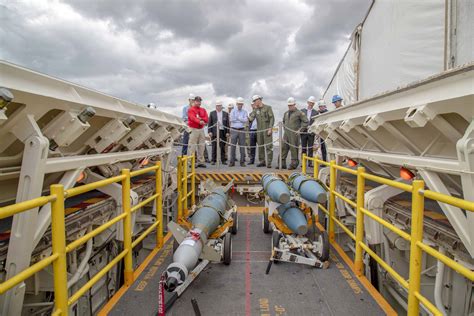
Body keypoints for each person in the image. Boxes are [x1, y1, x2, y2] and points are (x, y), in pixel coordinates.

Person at [280, 97, 308, 170]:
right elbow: (283, 122)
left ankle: (294, 164)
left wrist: (300, 130)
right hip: (286, 133)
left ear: (294, 104)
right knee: (283, 147)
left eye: (291, 105)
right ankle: (282, 163)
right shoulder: (286, 113)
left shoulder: (299, 113)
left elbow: (306, 121)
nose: (290, 106)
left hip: (294, 134)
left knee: (294, 149)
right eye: (289, 105)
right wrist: (285, 129)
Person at [249, 95, 274, 168]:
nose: (254, 103)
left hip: (266, 129)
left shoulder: (268, 108)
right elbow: (251, 118)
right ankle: (262, 161)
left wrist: (270, 128)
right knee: (260, 146)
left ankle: (269, 162)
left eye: (254, 101)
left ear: (258, 100)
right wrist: (254, 109)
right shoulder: (256, 110)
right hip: (259, 130)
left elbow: (272, 118)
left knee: (269, 146)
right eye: (253, 101)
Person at [187, 96, 208, 168]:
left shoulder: (203, 110)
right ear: (194, 101)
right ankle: (190, 162)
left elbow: (206, 118)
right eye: (197, 101)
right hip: (193, 129)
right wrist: (200, 121)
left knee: (201, 146)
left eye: (200, 101)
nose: (199, 102)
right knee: (192, 146)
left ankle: (201, 161)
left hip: (201, 129)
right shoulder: (191, 109)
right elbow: (192, 118)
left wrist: (201, 119)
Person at [208, 101, 229, 165]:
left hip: (223, 131)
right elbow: (210, 123)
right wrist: (210, 131)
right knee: (214, 146)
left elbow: (227, 124)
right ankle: (213, 160)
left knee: (222, 147)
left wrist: (227, 132)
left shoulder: (225, 114)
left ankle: (223, 160)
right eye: (217, 106)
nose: (218, 107)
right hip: (214, 131)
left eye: (219, 106)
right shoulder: (212, 113)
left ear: (221, 106)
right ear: (216, 106)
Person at [229, 97, 248, 167]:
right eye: (239, 104)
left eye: (241, 104)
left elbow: (245, 120)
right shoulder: (233, 111)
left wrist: (238, 118)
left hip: (242, 129)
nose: (240, 105)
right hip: (234, 129)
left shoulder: (245, 111)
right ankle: (232, 162)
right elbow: (231, 119)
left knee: (242, 147)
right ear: (236, 104)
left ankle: (242, 162)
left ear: (242, 104)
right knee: (232, 146)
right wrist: (241, 119)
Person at [301, 96, 319, 167]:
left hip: (311, 132)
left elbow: (316, 122)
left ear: (314, 104)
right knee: (303, 147)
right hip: (304, 132)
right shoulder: (302, 111)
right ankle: (303, 162)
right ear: (307, 102)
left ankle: (310, 163)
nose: (311, 104)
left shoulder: (316, 112)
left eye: (312, 103)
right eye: (310, 103)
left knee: (310, 148)